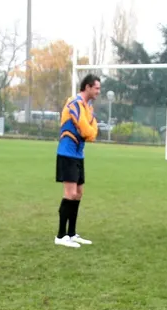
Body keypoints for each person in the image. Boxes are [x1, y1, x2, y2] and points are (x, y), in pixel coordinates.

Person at [55, 74, 101, 248]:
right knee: (70, 193)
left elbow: (93, 129)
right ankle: (60, 235)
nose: (98, 91)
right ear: (87, 87)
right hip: (67, 154)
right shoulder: (74, 104)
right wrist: (90, 132)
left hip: (78, 155)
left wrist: (90, 131)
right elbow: (85, 129)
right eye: (96, 88)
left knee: (79, 193)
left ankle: (71, 233)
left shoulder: (88, 107)